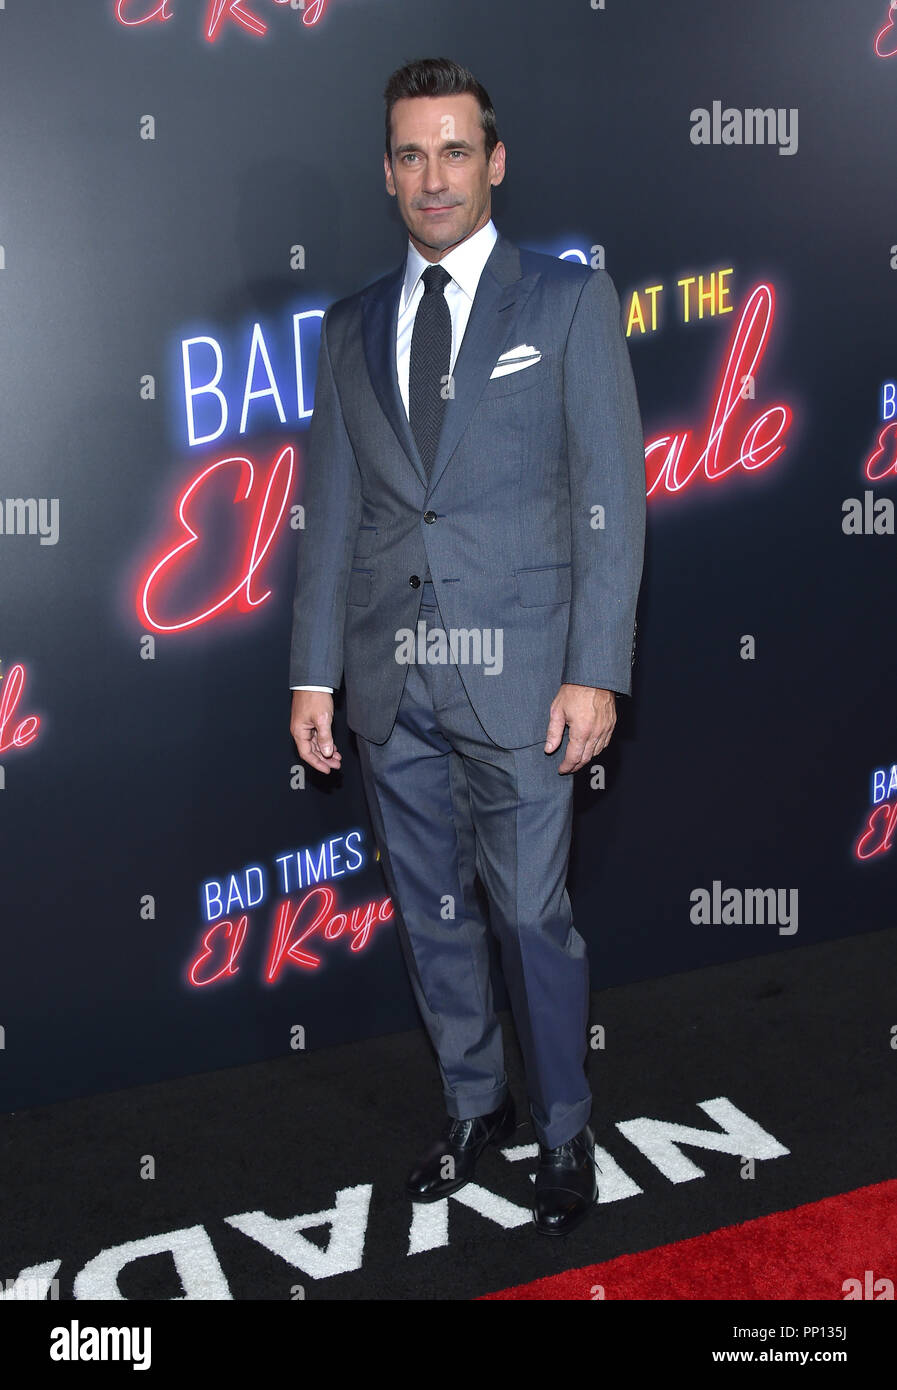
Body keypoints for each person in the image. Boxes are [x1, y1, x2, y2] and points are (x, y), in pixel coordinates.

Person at [289, 56, 646, 1235]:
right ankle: (472, 1107)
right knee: (433, 915)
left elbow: (612, 494)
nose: (431, 176)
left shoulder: (566, 299)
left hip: (531, 680)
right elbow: (334, 510)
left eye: (454, 150)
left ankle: (563, 1127)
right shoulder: (346, 329)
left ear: (494, 161)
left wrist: (597, 665)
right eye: (409, 153)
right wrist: (314, 672)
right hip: (393, 689)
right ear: (385, 171)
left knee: (532, 914)